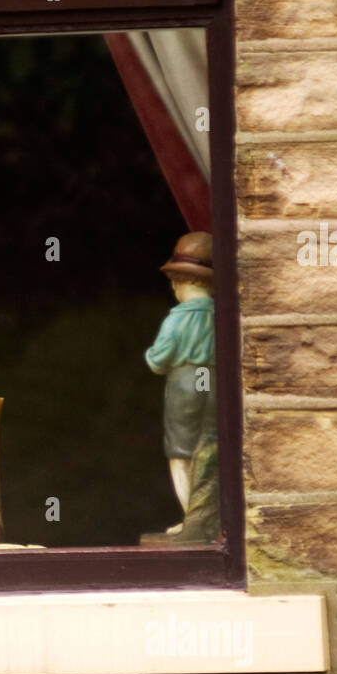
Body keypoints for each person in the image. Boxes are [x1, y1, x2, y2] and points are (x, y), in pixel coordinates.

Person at [144, 231, 217, 541]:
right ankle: (210, 518)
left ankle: (192, 521)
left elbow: (157, 361)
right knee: (210, 448)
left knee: (181, 452)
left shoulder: (176, 319)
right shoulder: (220, 315)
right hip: (212, 382)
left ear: (177, 282)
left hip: (185, 384)